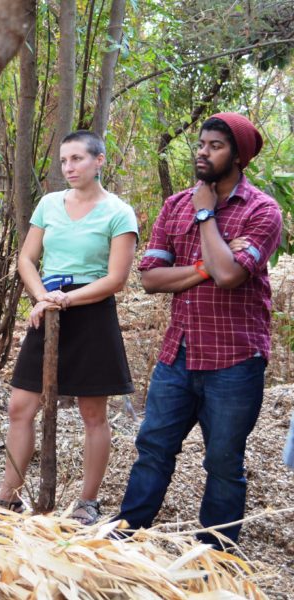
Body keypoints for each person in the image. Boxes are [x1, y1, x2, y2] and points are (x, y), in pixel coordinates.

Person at [116, 112, 282, 549]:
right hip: (179, 353)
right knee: (153, 447)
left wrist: (206, 214)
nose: (203, 152)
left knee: (224, 461)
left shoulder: (262, 210)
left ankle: (216, 555)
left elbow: (232, 278)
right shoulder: (173, 207)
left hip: (235, 359)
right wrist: (208, 265)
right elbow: (150, 278)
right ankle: (125, 534)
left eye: (215, 146)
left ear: (239, 157)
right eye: (202, 144)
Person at [0, 130, 138, 524]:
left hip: (91, 313)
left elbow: (117, 278)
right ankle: (9, 495)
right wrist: (42, 298)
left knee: (93, 414)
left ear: (99, 161)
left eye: (78, 159)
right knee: (21, 406)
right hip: (47, 309)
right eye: (64, 160)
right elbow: (26, 259)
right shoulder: (50, 204)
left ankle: (87, 503)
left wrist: (69, 299)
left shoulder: (118, 212)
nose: (69, 167)